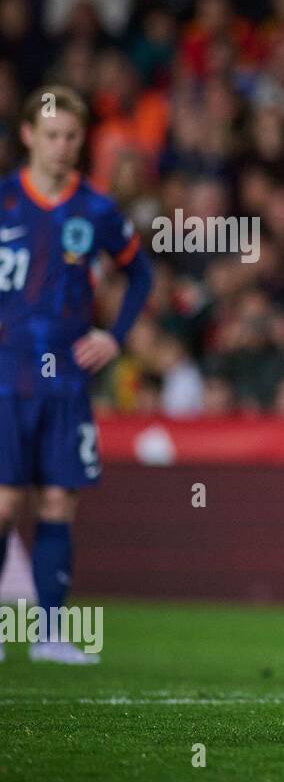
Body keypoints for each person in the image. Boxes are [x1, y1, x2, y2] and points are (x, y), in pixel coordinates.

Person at [0, 85, 153, 664]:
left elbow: (140, 275)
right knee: (5, 502)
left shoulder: (96, 210)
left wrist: (113, 337)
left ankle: (50, 634)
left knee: (59, 502)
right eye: (52, 136)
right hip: (6, 376)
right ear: (27, 136)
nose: (63, 147)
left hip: (66, 380)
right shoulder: (4, 201)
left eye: (72, 137)